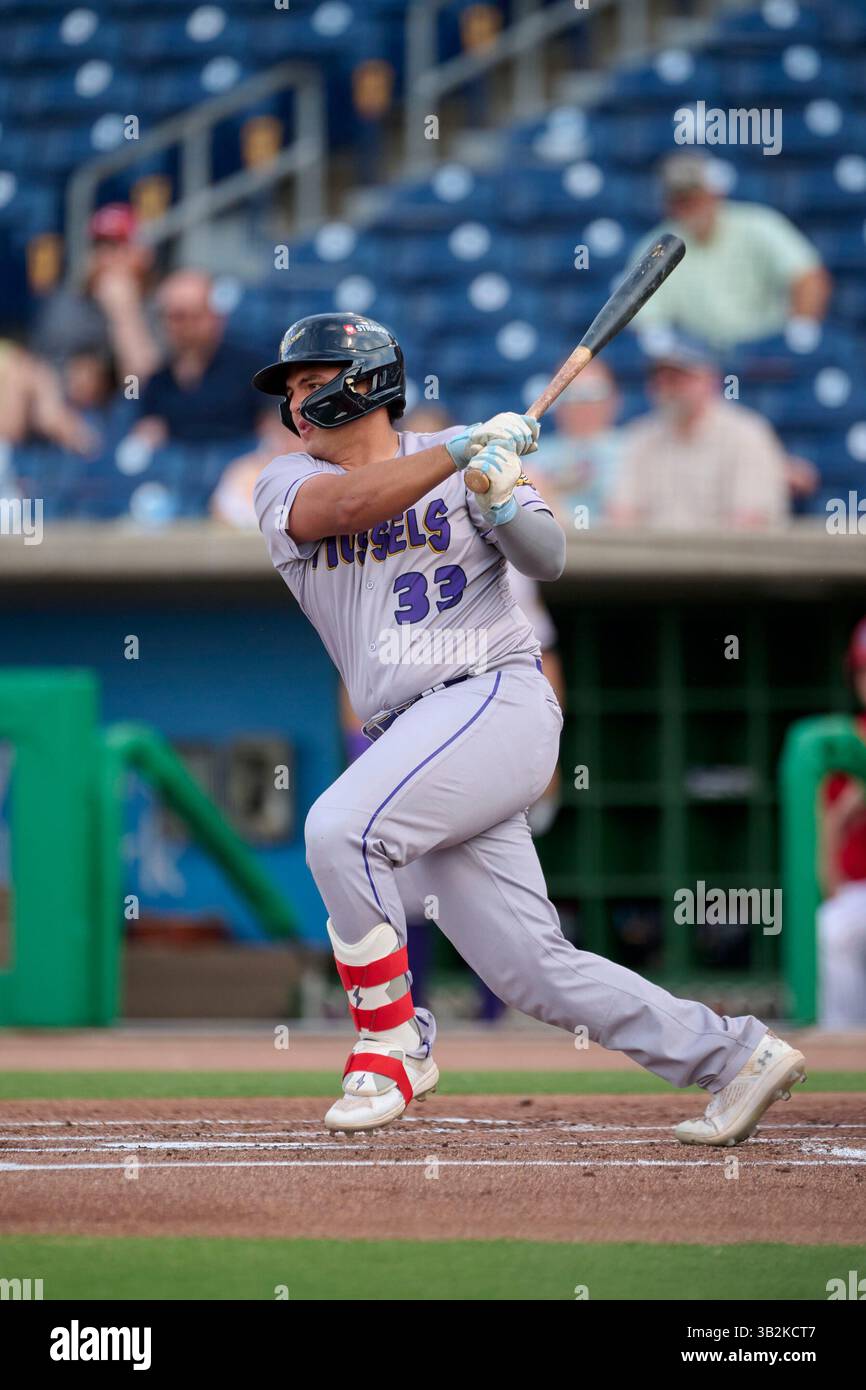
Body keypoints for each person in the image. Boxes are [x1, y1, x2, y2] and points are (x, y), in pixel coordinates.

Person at [252, 310, 806, 1143]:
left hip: (494, 695)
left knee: (339, 827)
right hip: (414, 731)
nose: (297, 402)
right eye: (291, 388)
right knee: (532, 972)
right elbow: (346, 508)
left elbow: (548, 559)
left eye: (310, 381)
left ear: (365, 383)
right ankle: (736, 1057)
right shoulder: (286, 482)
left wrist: (502, 495)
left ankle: (392, 1042)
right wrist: (464, 449)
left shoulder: (465, 460)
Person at [631, 153, 831, 351]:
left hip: (767, 349)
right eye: (680, 199)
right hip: (699, 358)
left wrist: (800, 327)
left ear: (714, 193)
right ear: (668, 204)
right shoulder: (657, 246)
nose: (689, 206)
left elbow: (808, 276)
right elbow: (646, 317)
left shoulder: (758, 224)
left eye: (695, 196)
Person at [608, 334, 789, 529]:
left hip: (725, 557)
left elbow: (750, 523)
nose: (668, 388)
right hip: (653, 556)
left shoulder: (747, 434)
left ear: (710, 380)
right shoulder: (640, 436)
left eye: (679, 378)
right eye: (660, 379)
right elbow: (622, 517)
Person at [127, 270, 269, 451]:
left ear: (216, 317)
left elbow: (272, 433)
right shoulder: (158, 381)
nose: (186, 327)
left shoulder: (251, 369)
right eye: (176, 317)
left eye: (194, 316)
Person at [30, 203, 160, 384]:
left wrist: (124, 315)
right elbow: (48, 379)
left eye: (116, 246)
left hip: (132, 404)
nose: (105, 257)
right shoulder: (69, 305)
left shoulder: (163, 305)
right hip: (69, 408)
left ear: (143, 254)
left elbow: (141, 388)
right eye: (98, 246)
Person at [818, 618, 866, 1027]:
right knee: (832, 927)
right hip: (858, 889)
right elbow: (826, 828)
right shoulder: (843, 739)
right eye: (863, 671)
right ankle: (847, 1044)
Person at [530, 360, 624, 529]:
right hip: (555, 544)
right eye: (571, 393)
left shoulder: (635, 449)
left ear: (614, 398)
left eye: (594, 391)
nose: (582, 403)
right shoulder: (533, 455)